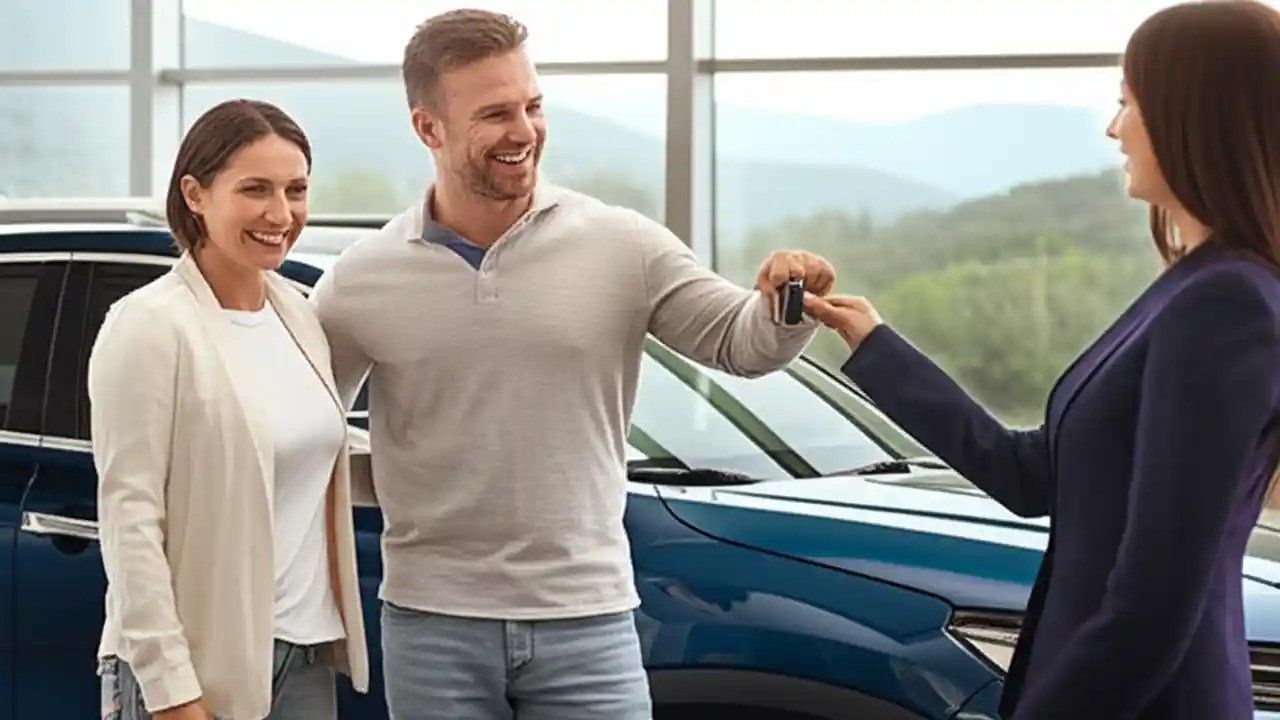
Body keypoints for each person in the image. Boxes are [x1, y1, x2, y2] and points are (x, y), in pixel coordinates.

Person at [309, 9, 834, 719]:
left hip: (589, 623)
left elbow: (738, 343)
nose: (524, 132)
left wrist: (783, 303)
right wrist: (397, 481)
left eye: (532, 106)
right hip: (431, 625)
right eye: (495, 113)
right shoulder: (362, 278)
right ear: (428, 128)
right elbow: (306, 428)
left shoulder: (621, 244)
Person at [803, 2, 1280, 718]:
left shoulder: (1223, 304)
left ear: (1192, 113)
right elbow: (1033, 475)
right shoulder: (1197, 286)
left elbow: (1151, 605)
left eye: (1128, 102)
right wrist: (875, 346)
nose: (1114, 128)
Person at [89, 99, 369, 720]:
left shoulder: (298, 314)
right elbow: (130, 520)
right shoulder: (149, 325)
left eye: (296, 190)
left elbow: (308, 458)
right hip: (197, 665)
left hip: (302, 656)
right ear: (195, 193)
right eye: (255, 189)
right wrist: (171, 692)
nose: (281, 213)